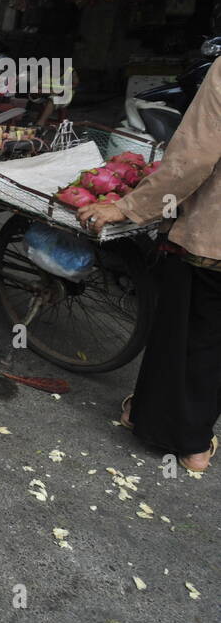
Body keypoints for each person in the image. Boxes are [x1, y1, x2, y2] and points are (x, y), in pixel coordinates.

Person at [78, 59, 221, 473]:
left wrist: (129, 206)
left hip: (211, 235)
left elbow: (194, 157)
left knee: (185, 333)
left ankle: (183, 440)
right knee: (211, 340)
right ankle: (190, 436)